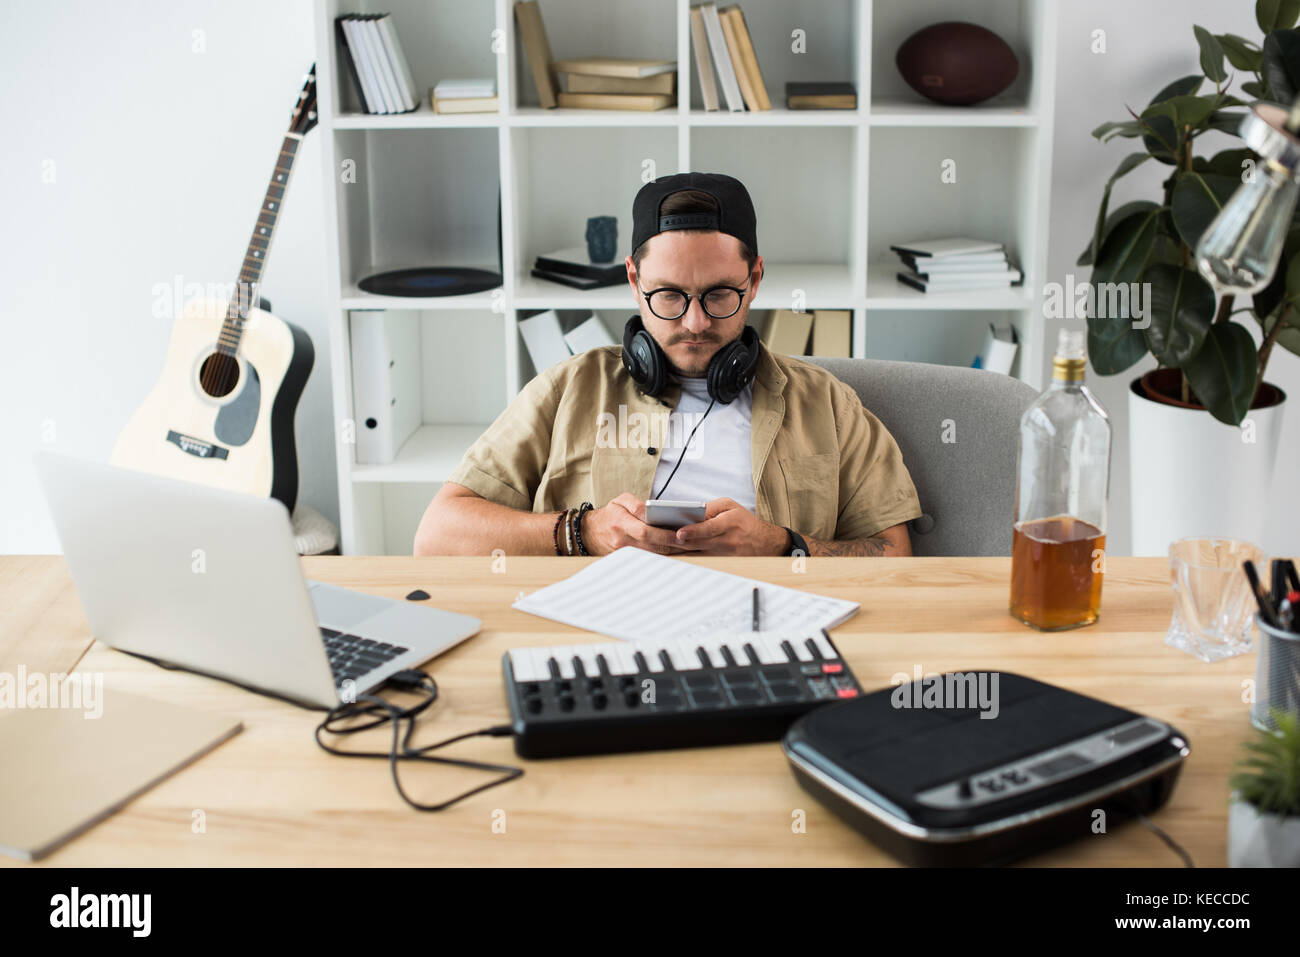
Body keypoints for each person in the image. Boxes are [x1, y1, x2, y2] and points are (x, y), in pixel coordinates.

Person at [414, 172, 922, 557]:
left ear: (756, 277)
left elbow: (892, 555)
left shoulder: (827, 401)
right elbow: (437, 535)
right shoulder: (568, 387)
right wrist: (582, 531)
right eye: (669, 295)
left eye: (720, 294)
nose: (696, 322)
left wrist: (781, 545)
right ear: (634, 281)